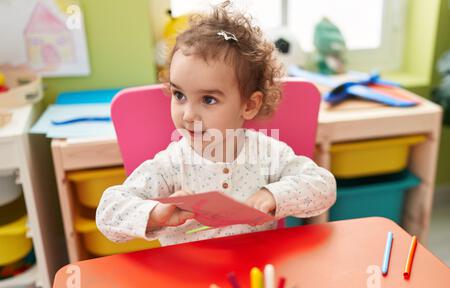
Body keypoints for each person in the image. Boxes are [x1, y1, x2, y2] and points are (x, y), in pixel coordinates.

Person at [96, 2, 336, 246]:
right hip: (187, 274)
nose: (188, 115)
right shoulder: (171, 165)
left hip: (254, 273)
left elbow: (323, 186)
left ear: (249, 105)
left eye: (208, 99)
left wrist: (272, 195)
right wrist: (157, 214)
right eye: (179, 95)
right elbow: (108, 213)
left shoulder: (268, 154)